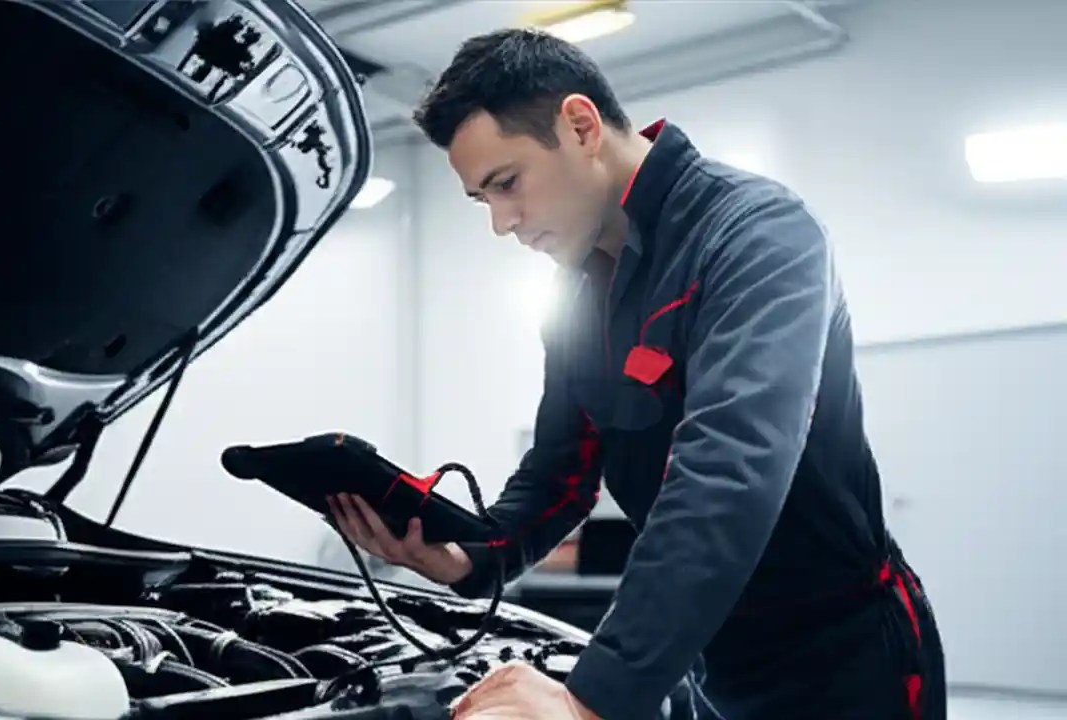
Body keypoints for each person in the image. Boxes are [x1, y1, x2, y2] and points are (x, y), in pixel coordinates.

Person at [326, 28, 945, 720]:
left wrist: (593, 696)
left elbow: (729, 473)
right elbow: (559, 473)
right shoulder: (578, 295)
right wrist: (469, 559)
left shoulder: (757, 234)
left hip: (845, 663)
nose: (502, 223)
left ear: (581, 125)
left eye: (507, 184)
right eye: (482, 200)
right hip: (712, 656)